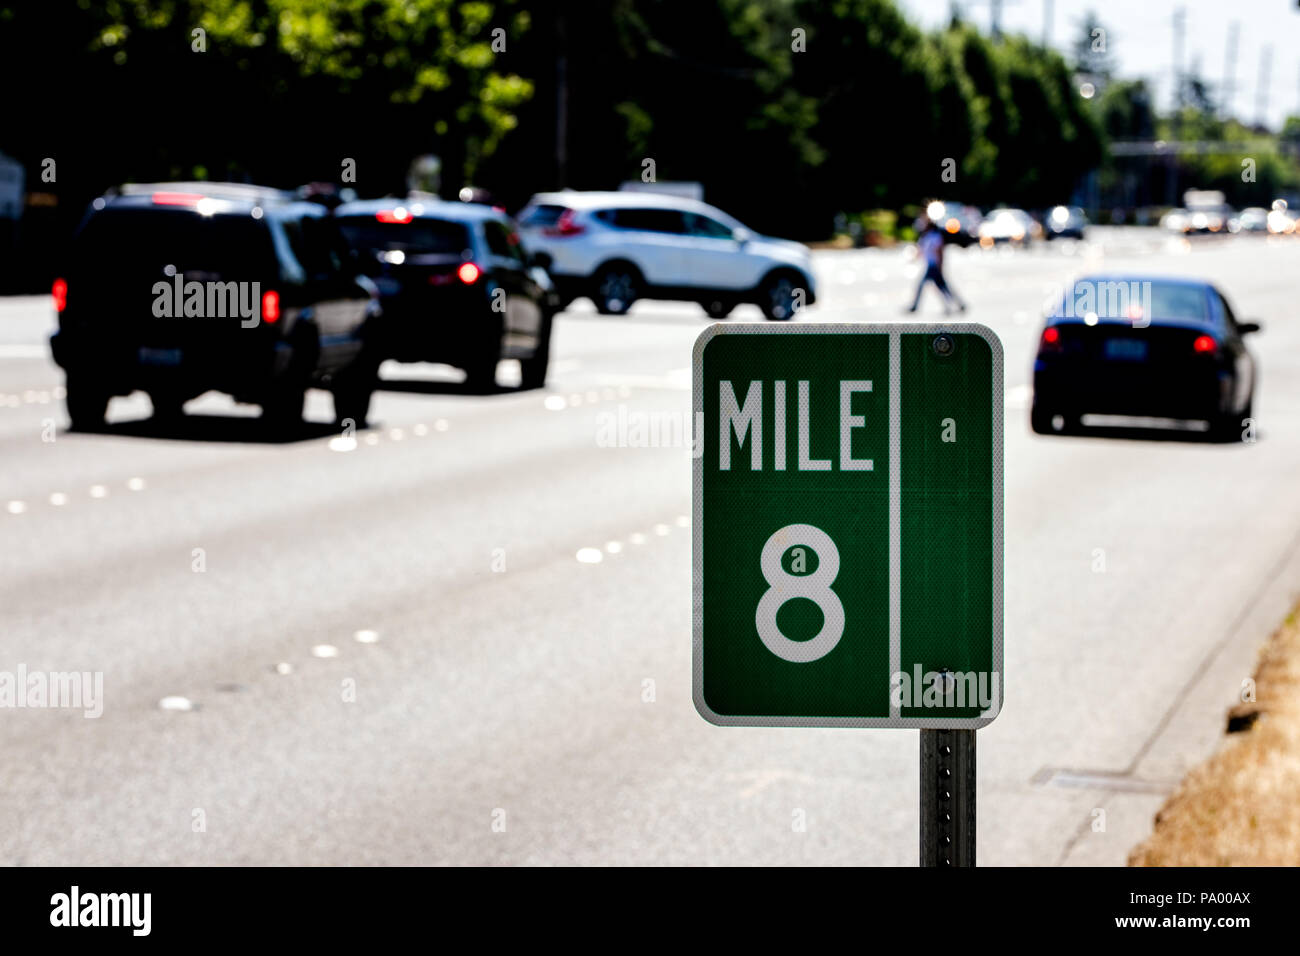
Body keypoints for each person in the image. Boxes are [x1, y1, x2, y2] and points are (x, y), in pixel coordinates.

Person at [907, 216, 966, 314]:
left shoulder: (935, 236)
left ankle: (915, 306)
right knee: (942, 287)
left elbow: (939, 251)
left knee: (930, 286)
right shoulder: (925, 237)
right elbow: (921, 250)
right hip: (930, 265)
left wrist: (940, 265)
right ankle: (958, 305)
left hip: (934, 265)